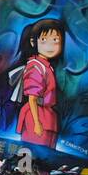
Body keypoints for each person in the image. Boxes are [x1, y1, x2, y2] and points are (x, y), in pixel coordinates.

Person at [13, 18, 65, 150]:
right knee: (34, 158)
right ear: (33, 42)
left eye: (55, 41)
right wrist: (37, 123)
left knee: (46, 159)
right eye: (44, 40)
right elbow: (32, 98)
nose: (50, 46)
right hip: (37, 116)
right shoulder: (36, 66)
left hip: (48, 118)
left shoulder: (46, 66)